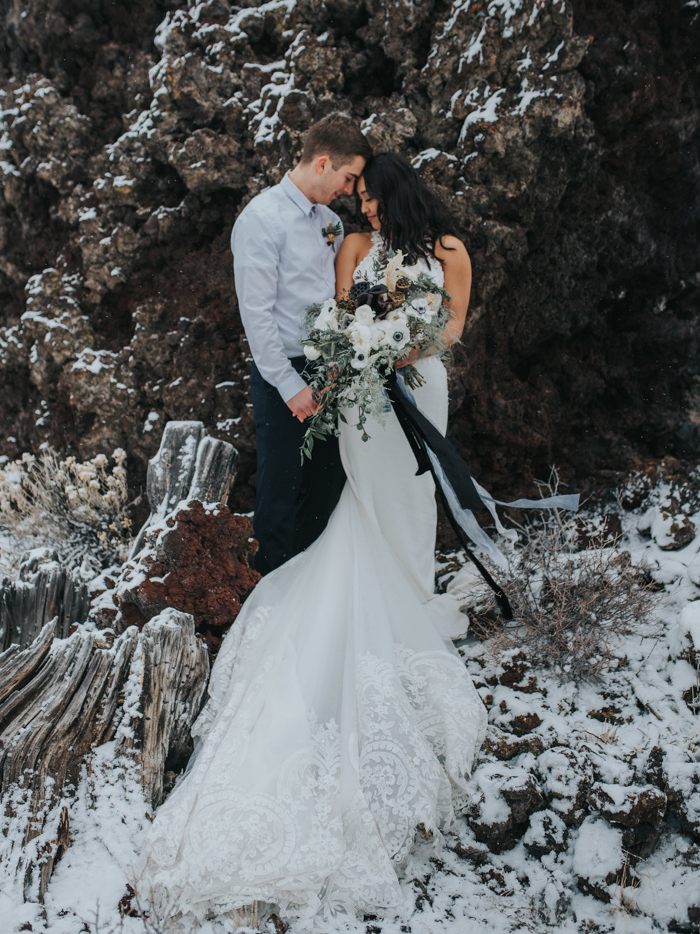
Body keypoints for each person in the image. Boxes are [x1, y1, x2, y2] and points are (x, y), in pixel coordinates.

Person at [137, 151, 489, 929]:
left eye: (367, 192)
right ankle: (383, 605)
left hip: (422, 385)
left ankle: (411, 594)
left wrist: (408, 343)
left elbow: (455, 324)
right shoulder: (356, 248)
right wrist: (364, 345)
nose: (358, 203)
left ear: (392, 190)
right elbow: (334, 316)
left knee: (413, 498)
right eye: (352, 190)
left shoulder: (452, 251)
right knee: (365, 499)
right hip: (366, 398)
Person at [231, 113, 372, 575]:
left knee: (326, 483)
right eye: (348, 178)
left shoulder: (330, 221)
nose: (349, 190)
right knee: (280, 488)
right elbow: (258, 316)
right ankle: (269, 593)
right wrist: (291, 386)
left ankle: (310, 592)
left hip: (330, 371)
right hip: (283, 375)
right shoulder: (261, 219)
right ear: (324, 163)